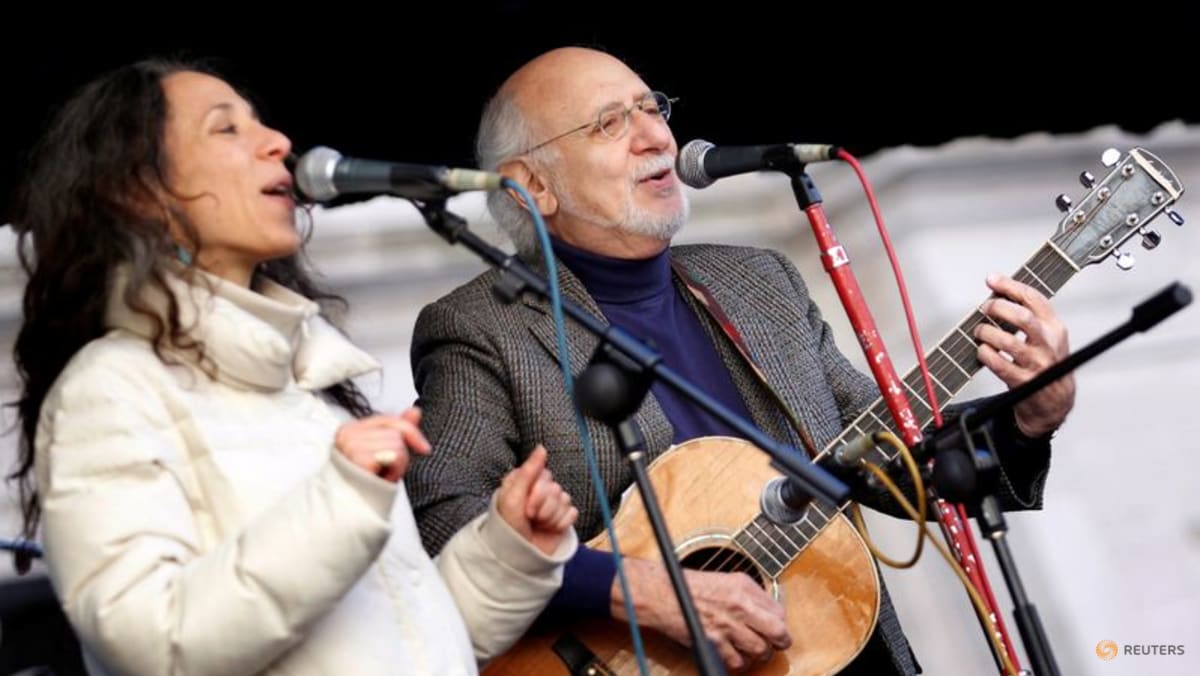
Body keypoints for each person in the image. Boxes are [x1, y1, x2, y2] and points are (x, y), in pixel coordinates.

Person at [406, 47, 1075, 675]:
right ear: (532, 187)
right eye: (611, 122)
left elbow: (887, 461)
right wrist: (644, 590)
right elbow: (444, 522)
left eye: (652, 108)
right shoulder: (479, 328)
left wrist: (1025, 418)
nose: (656, 138)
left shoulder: (759, 282)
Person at [7, 58, 579, 676]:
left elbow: (411, 644)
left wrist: (510, 551)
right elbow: (153, 642)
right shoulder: (109, 390)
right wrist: (341, 498)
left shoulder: (306, 388)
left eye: (261, 126)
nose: (278, 142)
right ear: (139, 193)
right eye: (226, 129)